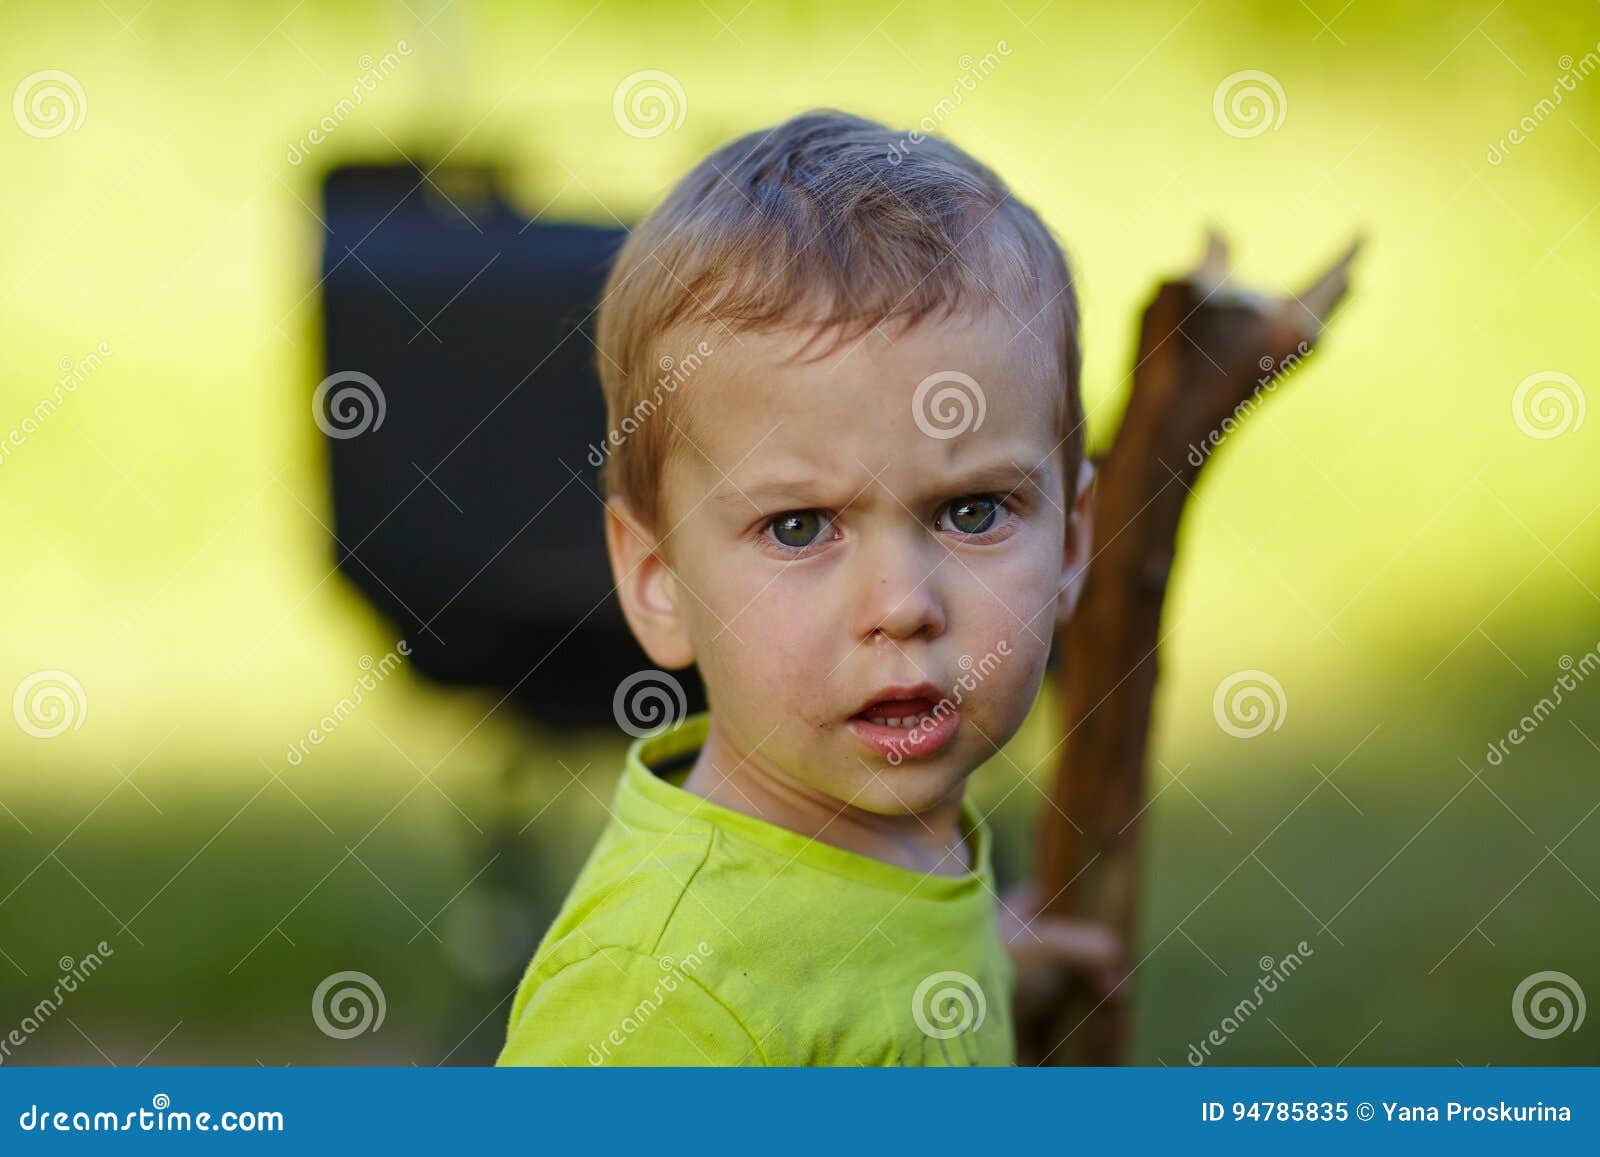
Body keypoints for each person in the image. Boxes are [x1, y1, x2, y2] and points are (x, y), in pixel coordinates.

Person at [497, 109, 1119, 1066]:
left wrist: (967, 969)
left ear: (1074, 542)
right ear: (657, 580)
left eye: (974, 512)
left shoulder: (890, 866)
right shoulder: (659, 992)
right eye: (799, 527)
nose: (902, 604)